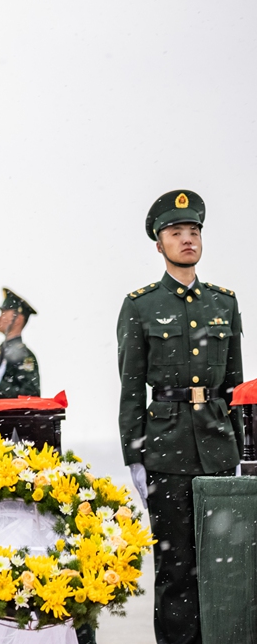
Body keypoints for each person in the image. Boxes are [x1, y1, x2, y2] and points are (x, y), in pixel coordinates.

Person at [117, 190, 243, 644]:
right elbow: (131, 388)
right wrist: (135, 456)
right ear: (159, 244)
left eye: (193, 231)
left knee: (226, 565)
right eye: (176, 233)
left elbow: (235, 386)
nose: (187, 239)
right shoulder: (140, 306)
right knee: (175, 568)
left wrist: (245, 449)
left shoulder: (223, 303)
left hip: (219, 449)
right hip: (165, 452)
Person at [0, 288, 40, 399]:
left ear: (18, 319)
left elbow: (31, 396)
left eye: (4, 313)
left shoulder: (25, 356)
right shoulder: (2, 351)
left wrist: (0, 386)